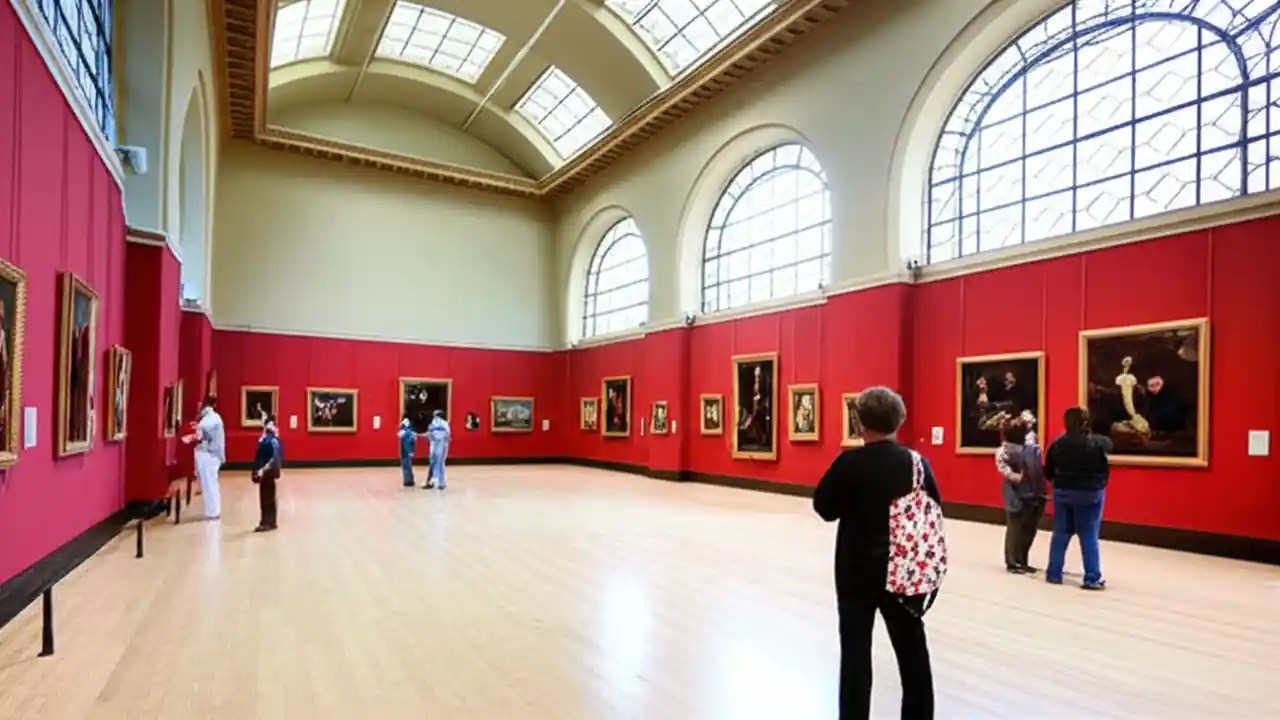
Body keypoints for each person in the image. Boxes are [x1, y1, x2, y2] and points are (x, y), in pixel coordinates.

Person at [813, 386, 938, 720]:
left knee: (855, 655)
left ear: (860, 423)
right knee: (913, 653)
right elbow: (933, 509)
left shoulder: (850, 463)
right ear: (899, 421)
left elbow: (824, 507)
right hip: (904, 570)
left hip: (855, 571)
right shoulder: (916, 463)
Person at [1044, 407, 1112, 590]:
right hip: (1090, 493)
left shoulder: (1057, 444)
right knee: (1089, 534)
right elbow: (1104, 469)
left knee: (1061, 533)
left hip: (1063, 492)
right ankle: (1091, 577)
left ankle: (1054, 573)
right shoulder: (1095, 444)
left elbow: (1048, 471)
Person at [995, 420, 1046, 574]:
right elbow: (1007, 471)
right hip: (1018, 493)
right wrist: (1019, 477)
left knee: (1025, 528)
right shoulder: (1006, 451)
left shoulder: (1028, 448)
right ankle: (1013, 561)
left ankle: (1021, 559)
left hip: (1030, 493)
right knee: (1017, 527)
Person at [183, 396, 226, 521]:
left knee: (209, 483)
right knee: (210, 483)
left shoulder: (210, 419)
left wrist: (190, 438)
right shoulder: (212, 418)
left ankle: (213, 511)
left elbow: (201, 435)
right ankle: (212, 510)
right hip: (210, 455)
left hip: (209, 455)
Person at [251, 416, 283, 532]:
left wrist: (261, 471)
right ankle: (270, 521)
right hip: (268, 472)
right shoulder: (273, 440)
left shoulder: (269, 441)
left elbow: (272, 459)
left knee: (266, 497)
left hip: (267, 473)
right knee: (269, 497)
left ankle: (267, 522)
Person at [425, 409, 451, 490]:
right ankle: (432, 482)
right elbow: (430, 435)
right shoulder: (433, 424)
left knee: (440, 464)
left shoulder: (443, 424)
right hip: (435, 447)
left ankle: (440, 483)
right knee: (434, 465)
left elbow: (446, 436)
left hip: (441, 447)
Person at [398, 414, 416, 487]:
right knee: (409, 466)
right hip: (407, 452)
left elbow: (406, 443)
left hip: (405, 453)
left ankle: (407, 481)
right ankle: (410, 480)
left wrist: (409, 452)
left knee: (406, 466)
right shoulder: (410, 432)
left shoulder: (405, 432)